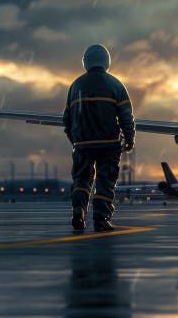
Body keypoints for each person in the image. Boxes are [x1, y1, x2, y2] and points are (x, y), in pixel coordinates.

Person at [63, 45, 135, 232]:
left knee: (81, 180)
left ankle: (78, 210)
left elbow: (66, 120)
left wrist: (76, 140)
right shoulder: (115, 85)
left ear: (85, 62)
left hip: (82, 144)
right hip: (108, 144)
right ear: (106, 61)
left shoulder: (75, 86)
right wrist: (129, 138)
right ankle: (101, 220)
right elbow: (126, 116)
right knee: (105, 181)